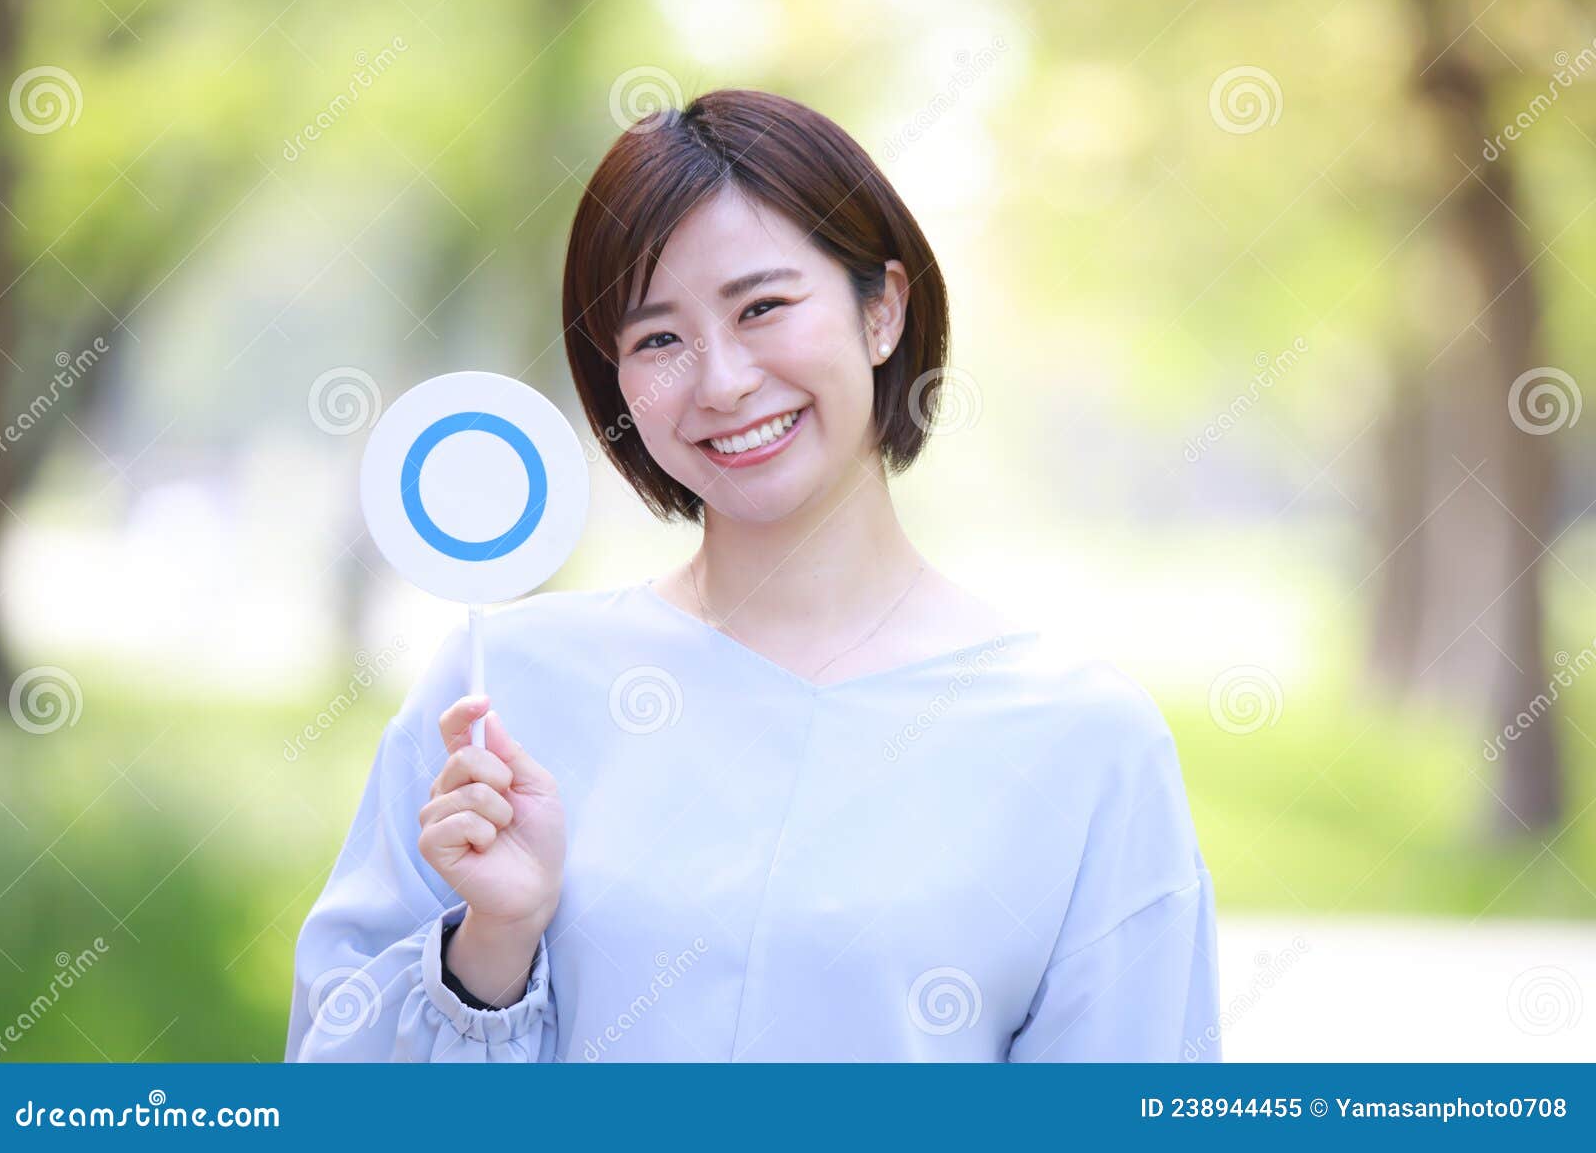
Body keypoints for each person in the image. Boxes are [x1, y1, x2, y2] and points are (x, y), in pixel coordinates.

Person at [285, 88, 1220, 1062]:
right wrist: (491, 949)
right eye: (657, 338)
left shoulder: (1081, 740)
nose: (722, 380)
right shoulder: (494, 697)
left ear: (883, 309)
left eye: (763, 306)